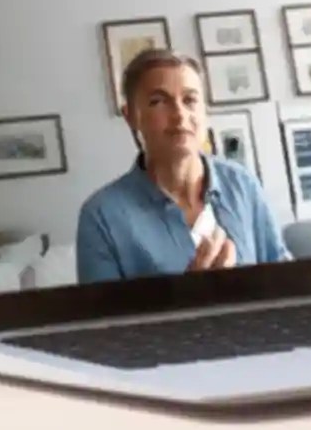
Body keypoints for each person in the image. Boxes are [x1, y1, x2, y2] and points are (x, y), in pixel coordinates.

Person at [76, 49, 290, 284]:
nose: (179, 114)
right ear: (131, 117)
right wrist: (188, 294)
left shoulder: (243, 184)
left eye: (190, 100)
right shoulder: (101, 216)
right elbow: (105, 317)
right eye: (158, 101)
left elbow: (283, 280)